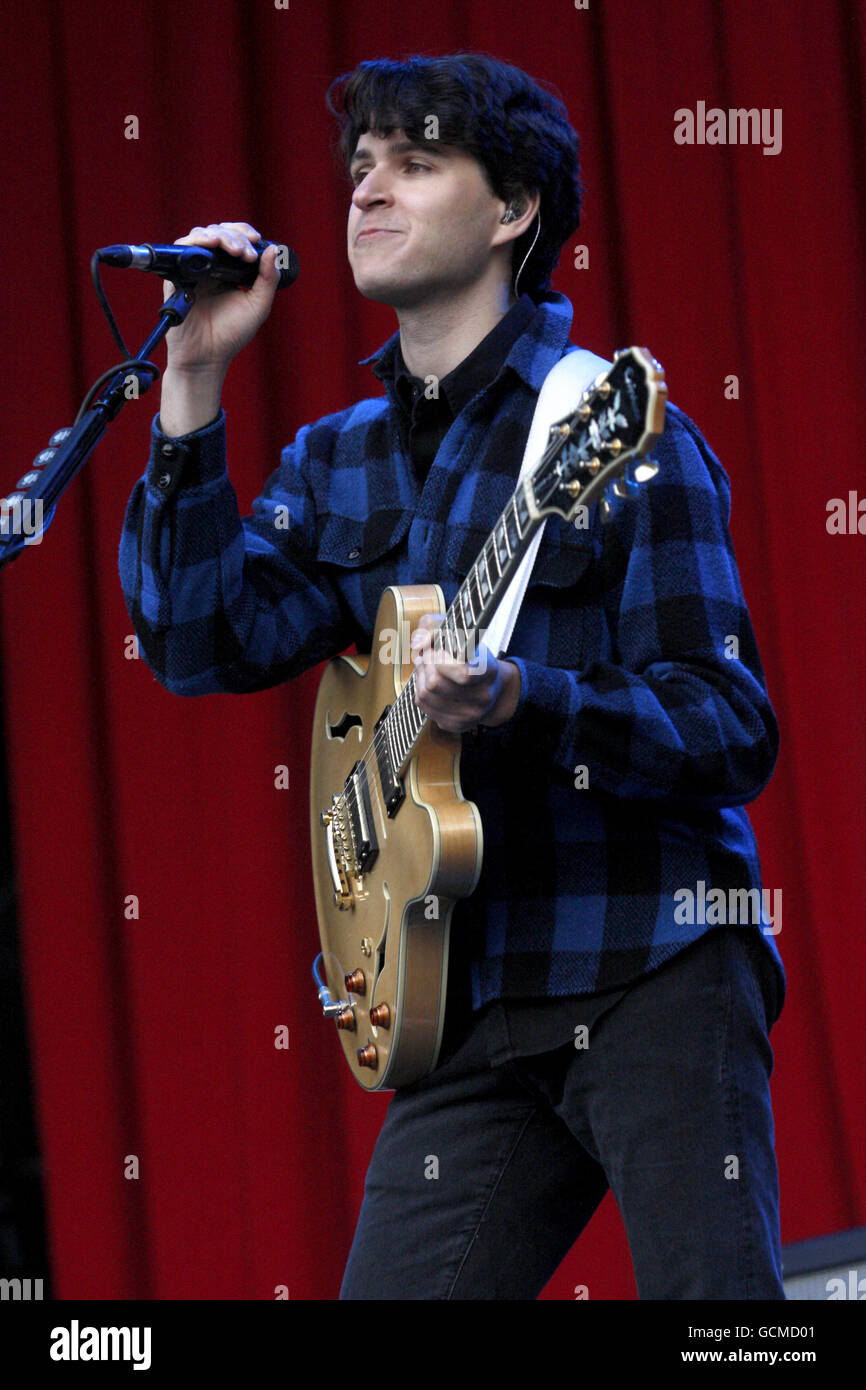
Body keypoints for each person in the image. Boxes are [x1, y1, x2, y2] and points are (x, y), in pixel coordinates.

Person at [119, 53, 786, 1300]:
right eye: (360, 167)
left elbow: (729, 725)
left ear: (512, 209)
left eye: (415, 163)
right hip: (458, 996)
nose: (366, 191)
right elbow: (195, 640)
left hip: (646, 956)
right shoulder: (335, 459)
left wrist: (526, 702)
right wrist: (194, 379)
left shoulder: (614, 425)